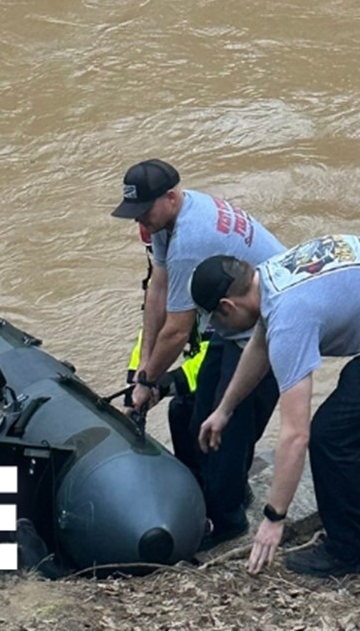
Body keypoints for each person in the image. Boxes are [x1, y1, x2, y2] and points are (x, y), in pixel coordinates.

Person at [193, 235, 360, 578]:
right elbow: (258, 345)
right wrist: (225, 409)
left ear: (228, 306)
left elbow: (295, 436)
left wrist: (274, 518)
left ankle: (353, 551)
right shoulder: (271, 276)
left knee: (331, 436)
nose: (219, 329)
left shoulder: (289, 317)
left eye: (217, 320)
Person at [112, 158, 284, 550]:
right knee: (190, 409)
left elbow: (176, 329)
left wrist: (150, 381)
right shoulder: (165, 223)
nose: (140, 221)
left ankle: (227, 521)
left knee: (226, 423)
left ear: (170, 197)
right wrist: (143, 370)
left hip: (270, 322)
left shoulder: (191, 237)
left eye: (144, 211)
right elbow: (158, 289)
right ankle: (212, 497)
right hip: (233, 318)